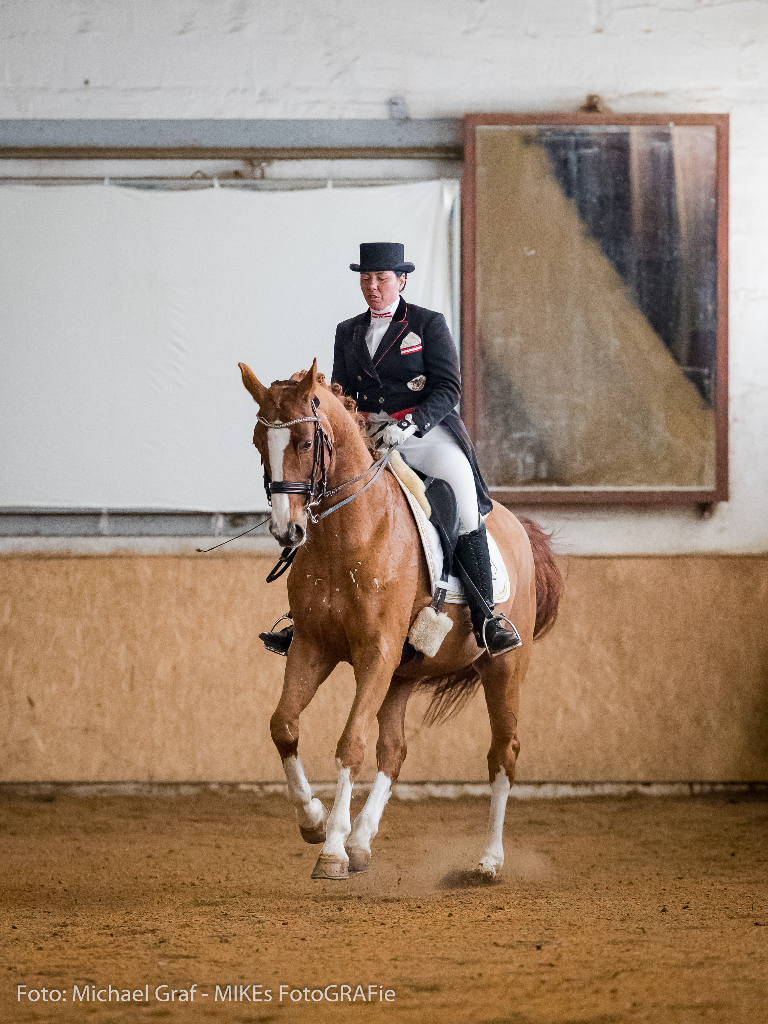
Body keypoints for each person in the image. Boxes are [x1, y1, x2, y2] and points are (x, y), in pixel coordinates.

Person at [259, 242, 521, 658]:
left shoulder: (428, 324)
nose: (373, 287)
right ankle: (305, 618)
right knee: (324, 499)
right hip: (367, 439)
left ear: (401, 280)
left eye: (381, 278)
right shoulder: (348, 331)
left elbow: (448, 388)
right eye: (366, 279)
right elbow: (343, 393)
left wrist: (411, 423)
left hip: (425, 435)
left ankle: (487, 617)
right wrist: (320, 393)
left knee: (466, 505)